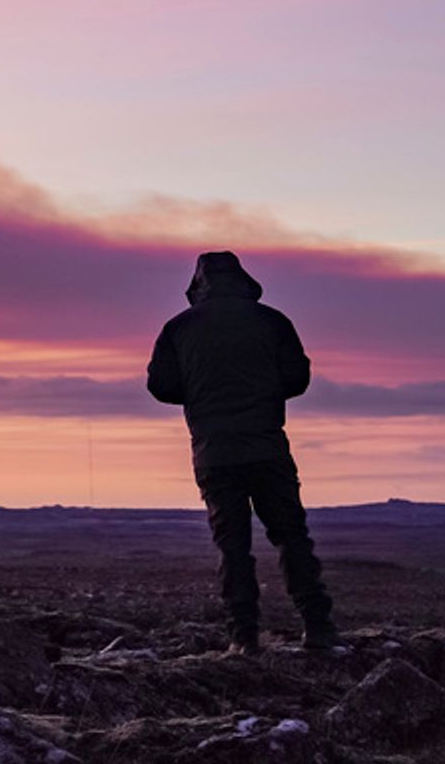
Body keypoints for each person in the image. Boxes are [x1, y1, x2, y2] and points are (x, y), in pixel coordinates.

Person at [149, 250, 339, 655]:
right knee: (291, 536)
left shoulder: (179, 329)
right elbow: (297, 378)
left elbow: (161, 386)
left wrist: (203, 391)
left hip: (214, 453)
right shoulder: (272, 321)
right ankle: (318, 628)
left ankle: (244, 637)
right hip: (267, 446)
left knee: (232, 547)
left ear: (198, 282)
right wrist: (260, 389)